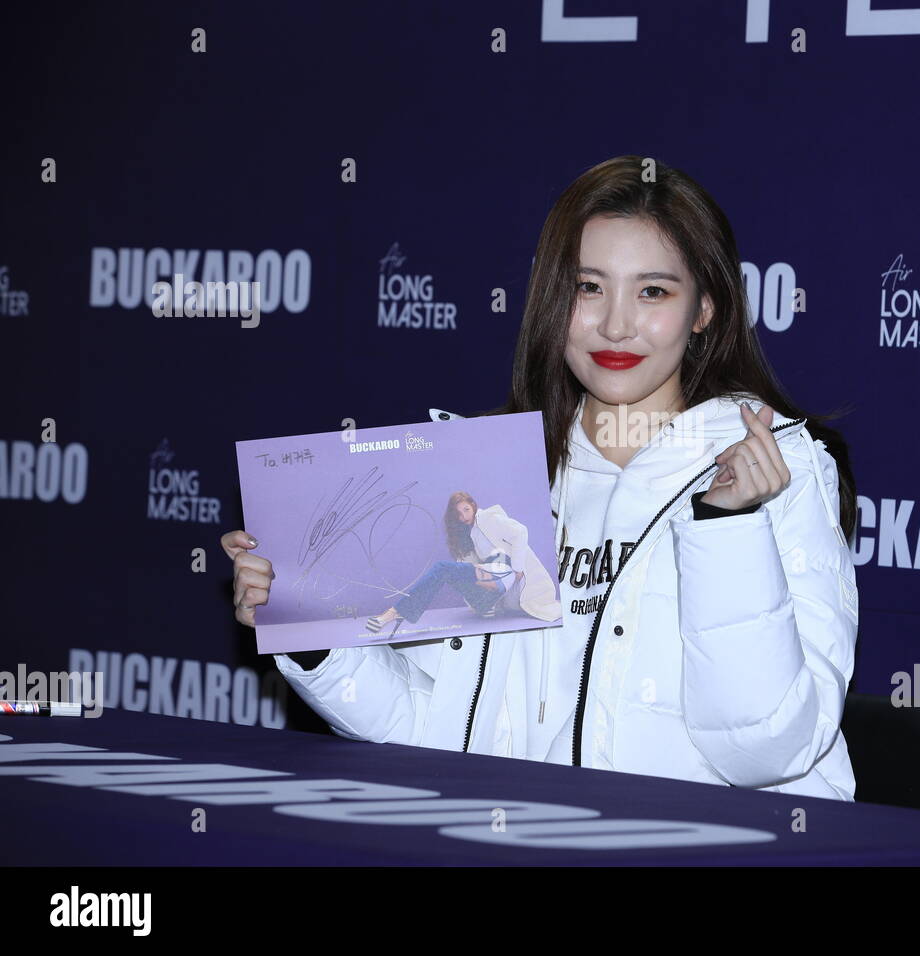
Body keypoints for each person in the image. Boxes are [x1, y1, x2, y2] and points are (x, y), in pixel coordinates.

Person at [223, 154, 861, 800]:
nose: (616, 324)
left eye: (653, 292)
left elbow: (767, 748)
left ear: (705, 312)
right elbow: (434, 732)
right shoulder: (496, 474)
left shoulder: (781, 470)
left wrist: (727, 527)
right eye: (589, 288)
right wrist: (309, 633)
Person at [366, 491, 561, 636]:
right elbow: (469, 573)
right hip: (502, 595)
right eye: (459, 514)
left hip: (518, 585)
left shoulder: (487, 518)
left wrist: (518, 569)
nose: (464, 516)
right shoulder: (472, 533)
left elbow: (520, 531)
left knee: (441, 569)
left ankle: (394, 613)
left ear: (474, 506)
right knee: (448, 572)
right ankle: (399, 611)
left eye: (466, 510)